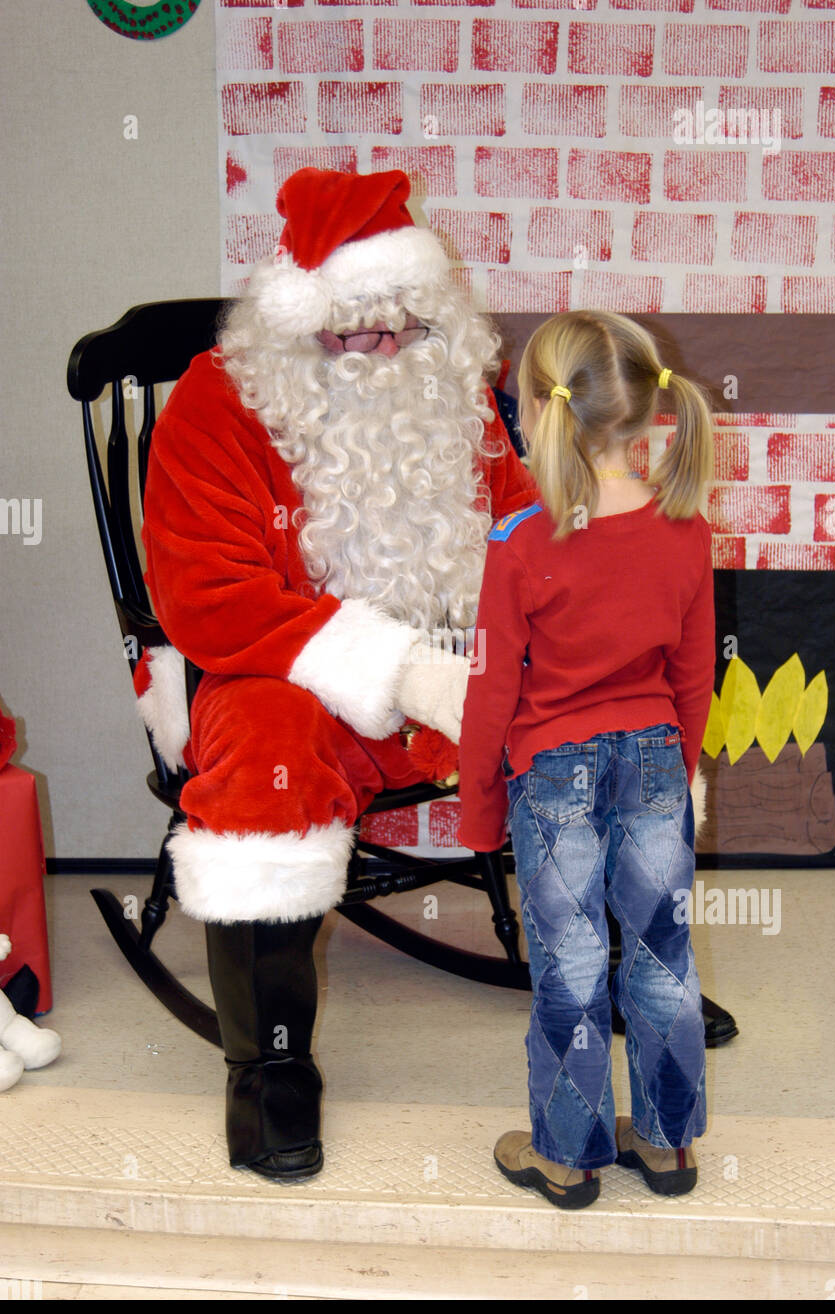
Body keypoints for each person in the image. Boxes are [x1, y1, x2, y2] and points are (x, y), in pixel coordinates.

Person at [135, 167, 538, 1183]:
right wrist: (400, 672)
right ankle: (269, 1069)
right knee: (264, 741)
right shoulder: (215, 406)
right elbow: (207, 599)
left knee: (601, 707)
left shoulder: (448, 391)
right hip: (284, 682)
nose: (385, 351)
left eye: (406, 325)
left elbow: (530, 540)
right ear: (301, 324)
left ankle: (636, 972)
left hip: (455, 684)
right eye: (358, 329)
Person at [458, 309, 716, 1209]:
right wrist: (678, 781)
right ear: (648, 413)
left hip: (554, 772)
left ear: (538, 411)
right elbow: (693, 680)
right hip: (654, 761)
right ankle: (668, 1144)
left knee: (568, 967)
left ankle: (566, 1158)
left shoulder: (519, 542)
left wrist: (481, 809)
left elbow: (490, 695)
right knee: (661, 958)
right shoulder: (685, 530)